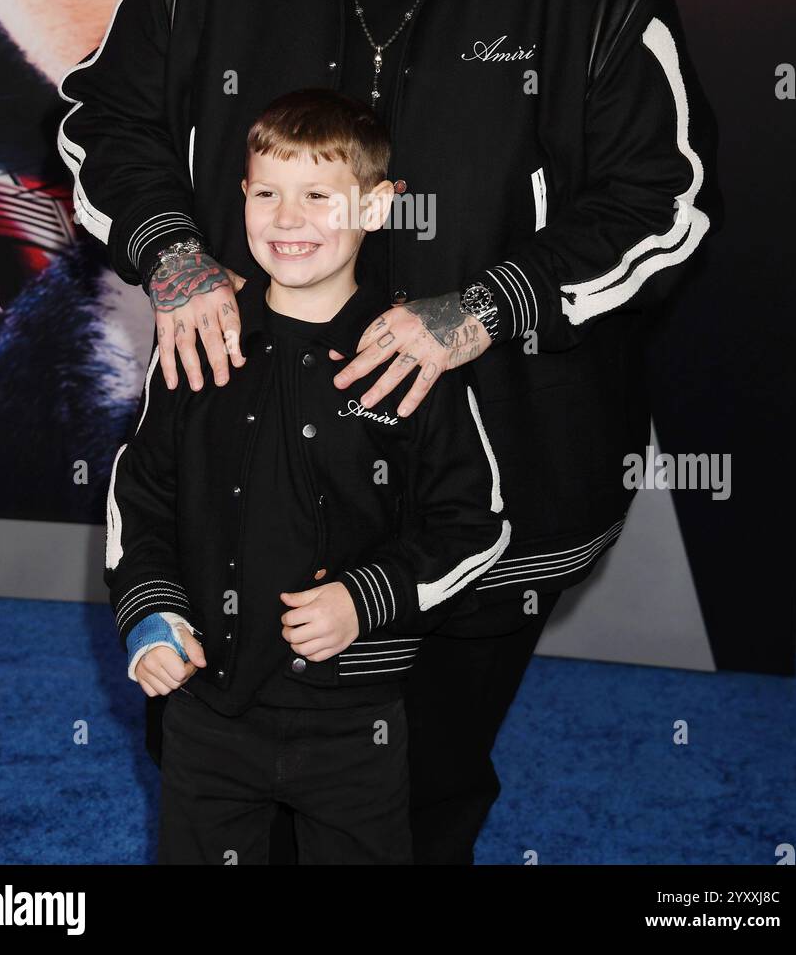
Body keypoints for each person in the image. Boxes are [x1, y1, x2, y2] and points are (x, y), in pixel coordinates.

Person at [57, 0, 721, 864]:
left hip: (488, 491)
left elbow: (663, 200)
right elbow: (106, 125)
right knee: (209, 787)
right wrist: (174, 259)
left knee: (412, 802)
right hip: (231, 486)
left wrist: (481, 307)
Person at [109, 88, 510, 864]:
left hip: (354, 721)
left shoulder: (414, 355)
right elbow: (142, 497)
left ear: (380, 207)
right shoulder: (198, 339)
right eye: (268, 193)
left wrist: (367, 598)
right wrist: (151, 613)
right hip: (206, 706)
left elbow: (477, 524)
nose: (287, 221)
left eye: (318, 196)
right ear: (243, 198)